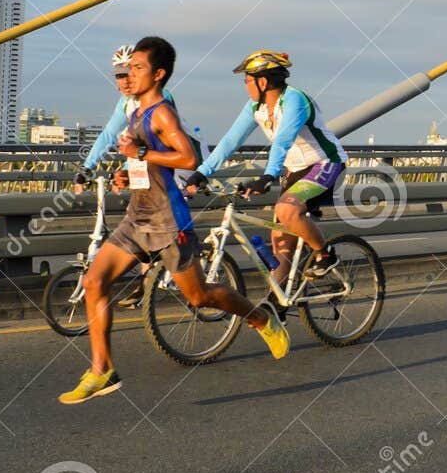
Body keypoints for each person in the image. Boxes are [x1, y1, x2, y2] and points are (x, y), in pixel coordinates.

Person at [59, 36, 288, 405]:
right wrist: (127, 171)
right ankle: (102, 369)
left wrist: (142, 152)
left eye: (137, 68)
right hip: (138, 217)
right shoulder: (134, 112)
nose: (128, 74)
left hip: (168, 221)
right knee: (95, 279)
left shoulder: (162, 113)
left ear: (158, 74)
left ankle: (259, 317)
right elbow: (145, 160)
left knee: (199, 297)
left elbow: (185, 159)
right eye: (126, 68)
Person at [185, 50, 347, 293]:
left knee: (286, 208)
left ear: (263, 81)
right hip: (295, 171)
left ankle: (325, 254)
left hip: (326, 164)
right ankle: (277, 303)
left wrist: (268, 176)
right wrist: (202, 172)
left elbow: (282, 140)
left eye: (247, 80)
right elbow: (230, 141)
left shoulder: (294, 100)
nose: (246, 85)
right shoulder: (256, 107)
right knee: (280, 244)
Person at [72, 44, 175, 191]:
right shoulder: (126, 102)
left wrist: (125, 170)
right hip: (150, 166)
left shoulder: (159, 97)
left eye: (130, 74)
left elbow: (150, 143)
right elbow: (109, 135)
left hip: (178, 167)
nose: (125, 81)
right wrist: (86, 168)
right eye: (120, 75)